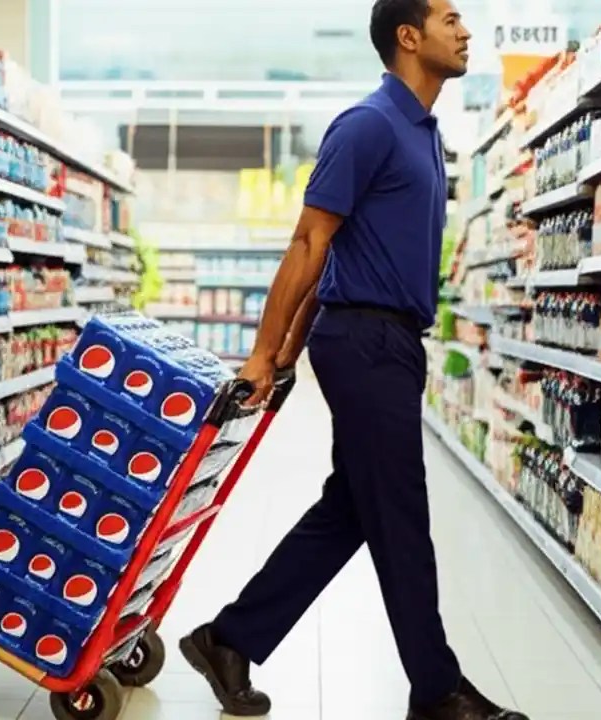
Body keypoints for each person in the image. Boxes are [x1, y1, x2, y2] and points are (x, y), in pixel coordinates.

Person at [177, 1, 529, 719]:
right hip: (364, 343)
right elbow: (310, 242)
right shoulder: (369, 125)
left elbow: (342, 255)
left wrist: (290, 349)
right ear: (409, 36)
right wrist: (262, 353)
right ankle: (436, 691)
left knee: (354, 508)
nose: (466, 31)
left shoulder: (426, 134)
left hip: (391, 342)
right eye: (450, 18)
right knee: (401, 514)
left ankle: (229, 639)